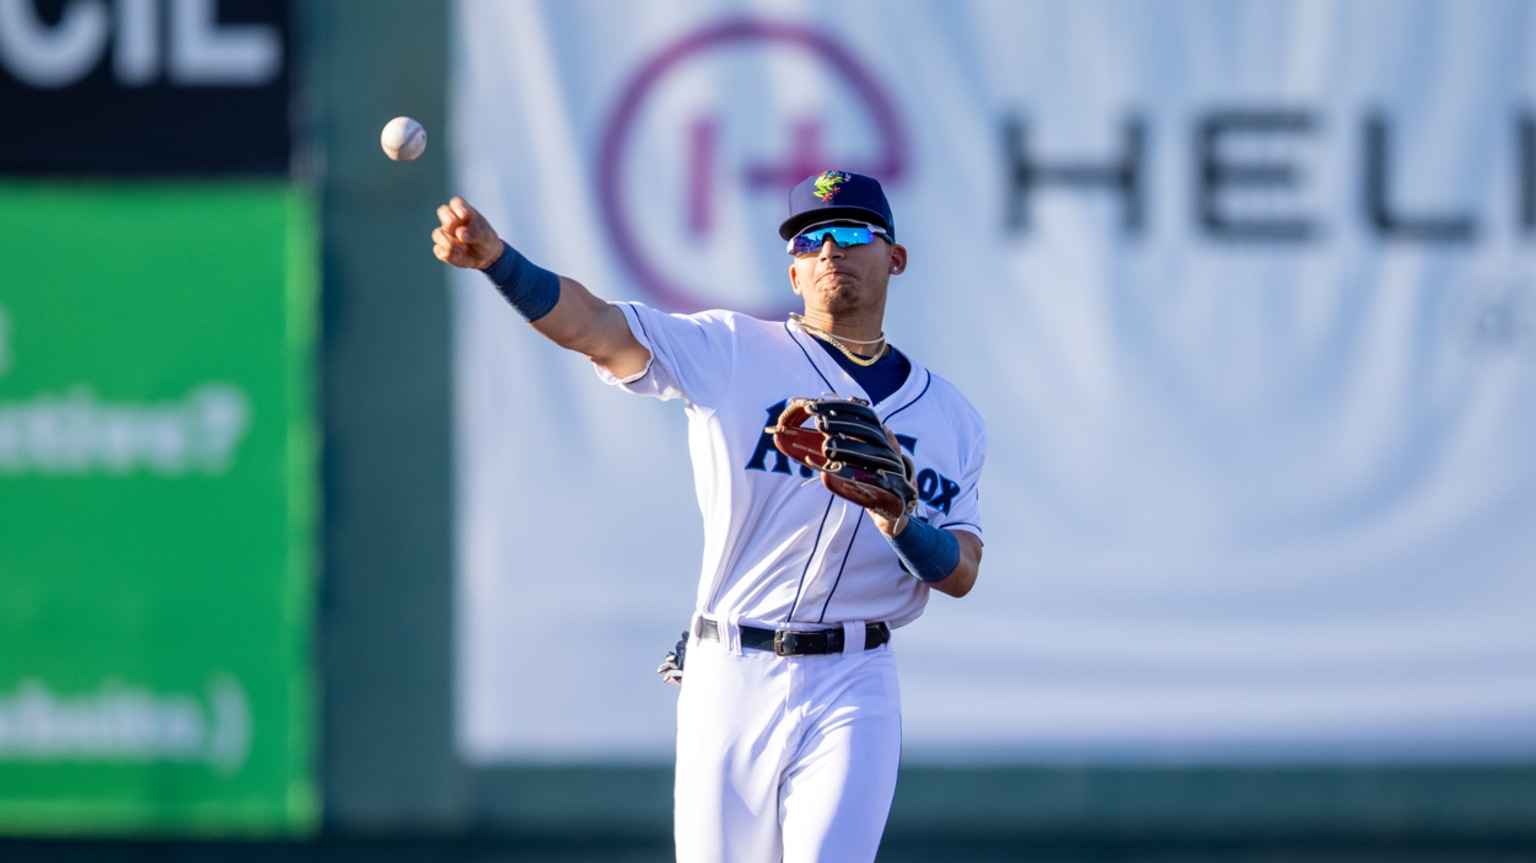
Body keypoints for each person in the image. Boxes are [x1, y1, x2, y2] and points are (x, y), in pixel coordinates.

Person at [434, 170, 984, 863]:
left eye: (850, 232)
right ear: (792, 270)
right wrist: (498, 263)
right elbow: (596, 327)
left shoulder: (949, 417)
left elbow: (962, 569)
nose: (829, 251)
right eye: (810, 240)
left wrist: (903, 525)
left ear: (894, 257)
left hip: (855, 678)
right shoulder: (732, 351)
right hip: (733, 669)